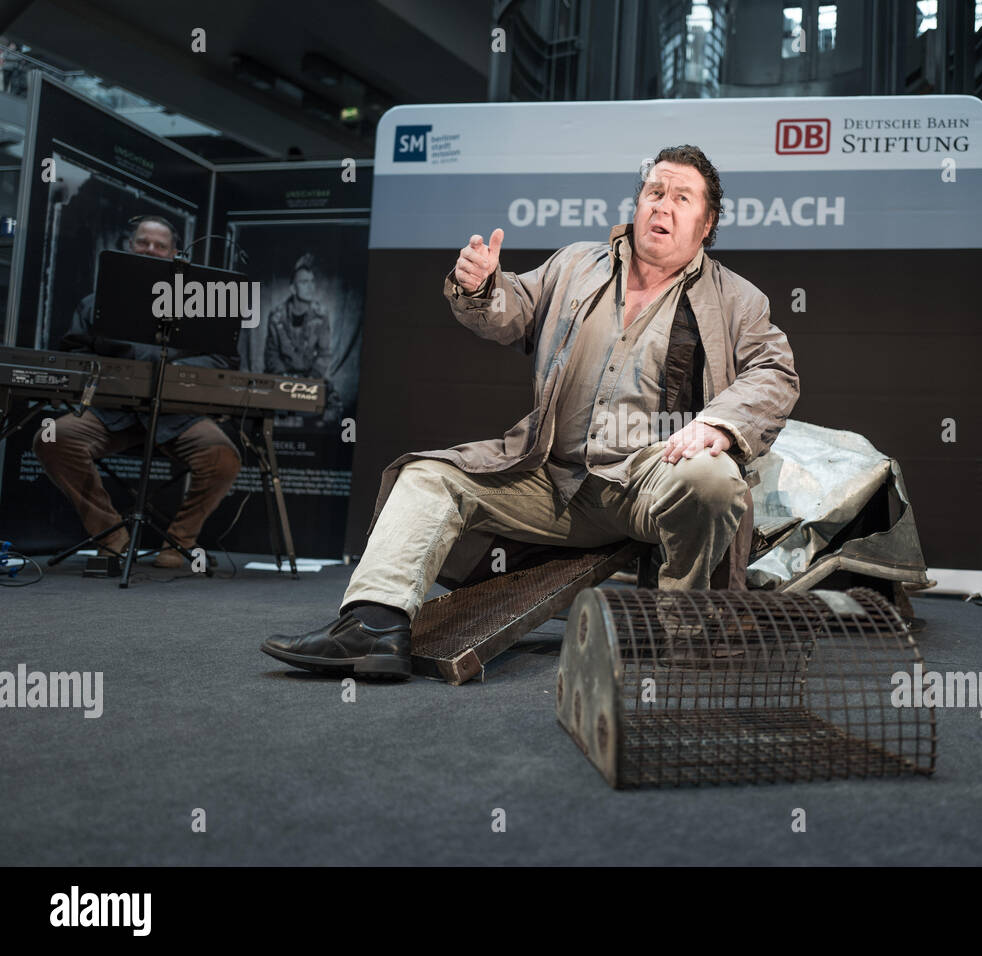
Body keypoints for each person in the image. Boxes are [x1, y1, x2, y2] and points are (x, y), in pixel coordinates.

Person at [262, 144, 799, 681]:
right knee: (429, 477)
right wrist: (481, 286)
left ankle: (683, 630)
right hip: (551, 477)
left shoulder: (737, 299)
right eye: (654, 192)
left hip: (649, 479)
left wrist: (718, 424)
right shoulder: (575, 264)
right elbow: (513, 311)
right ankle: (374, 628)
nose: (661, 206)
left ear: (706, 225)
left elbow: (775, 373)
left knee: (715, 481)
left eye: (681, 198)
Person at [33, 216, 242, 568]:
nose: (151, 250)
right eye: (143, 242)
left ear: (175, 253)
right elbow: (74, 354)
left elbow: (224, 358)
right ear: (129, 245)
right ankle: (110, 533)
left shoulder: (200, 304)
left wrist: (175, 375)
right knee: (52, 438)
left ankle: (179, 543)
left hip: (177, 416)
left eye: (160, 245)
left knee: (224, 457)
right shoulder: (95, 302)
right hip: (110, 412)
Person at [263, 253, 341, 422]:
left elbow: (324, 354)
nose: (311, 287)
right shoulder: (276, 316)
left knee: (331, 409)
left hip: (310, 378)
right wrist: (287, 382)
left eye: (312, 281)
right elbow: (271, 355)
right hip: (281, 379)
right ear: (293, 288)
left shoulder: (321, 316)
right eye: (304, 282)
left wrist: (310, 381)